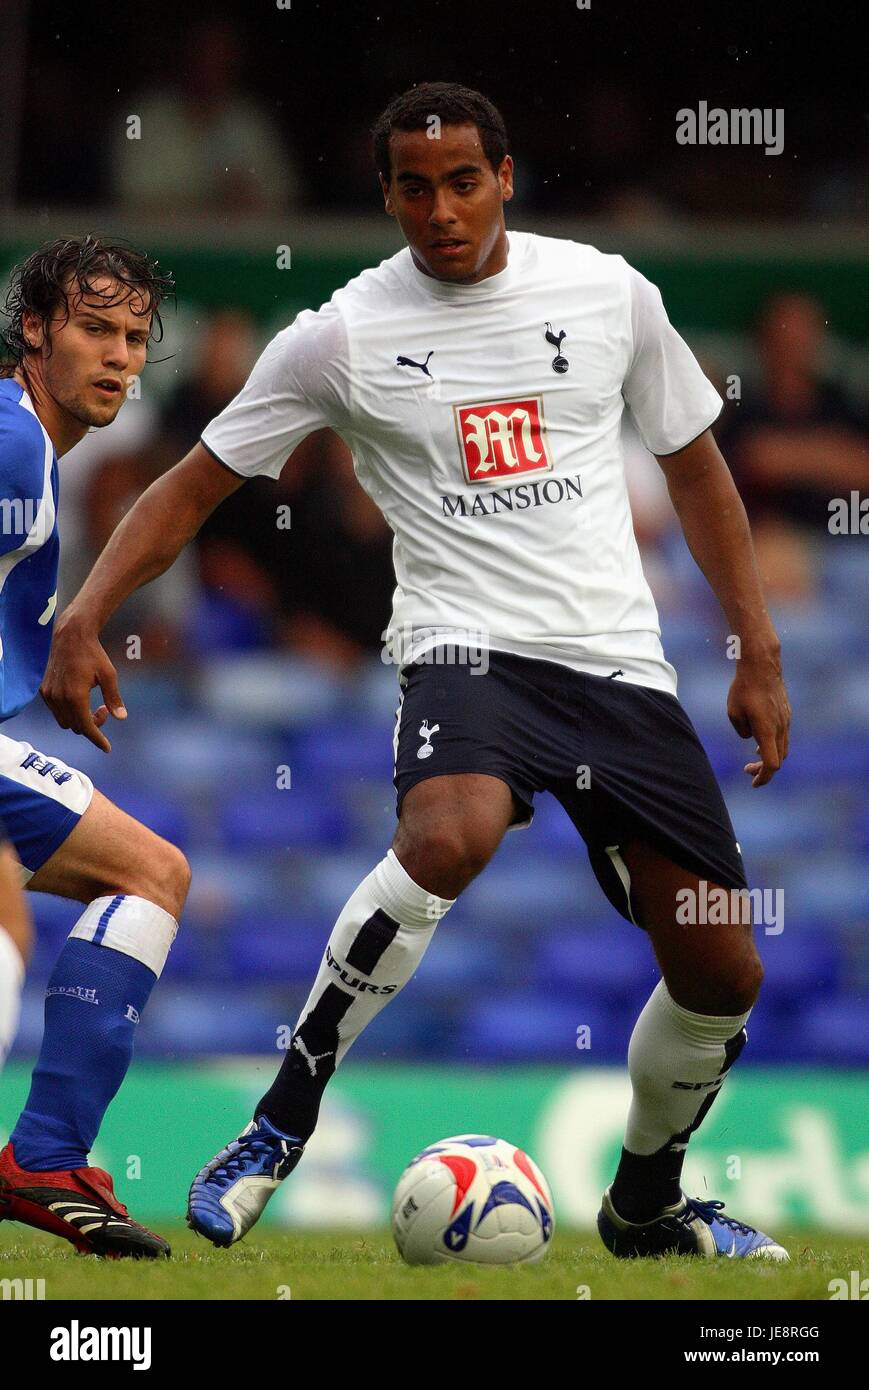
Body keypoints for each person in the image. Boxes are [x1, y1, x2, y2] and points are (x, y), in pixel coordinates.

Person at [42, 86, 792, 1261]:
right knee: (447, 836)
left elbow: (696, 469)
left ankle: (647, 1200)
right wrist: (86, 612)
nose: (438, 209)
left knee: (722, 962)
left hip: (616, 667)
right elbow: (193, 483)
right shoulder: (338, 335)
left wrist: (755, 649)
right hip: (463, 650)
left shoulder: (607, 294)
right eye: (411, 186)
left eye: (461, 181)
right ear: (385, 193)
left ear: (504, 175)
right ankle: (278, 1121)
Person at [0, 237, 190, 1258]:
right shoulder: (11, 444)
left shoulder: (31, 449)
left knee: (149, 873)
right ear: (34, 328)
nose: (118, 356)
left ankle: (43, 1158)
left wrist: (57, 644)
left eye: (132, 337)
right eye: (93, 329)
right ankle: (39, 1157)